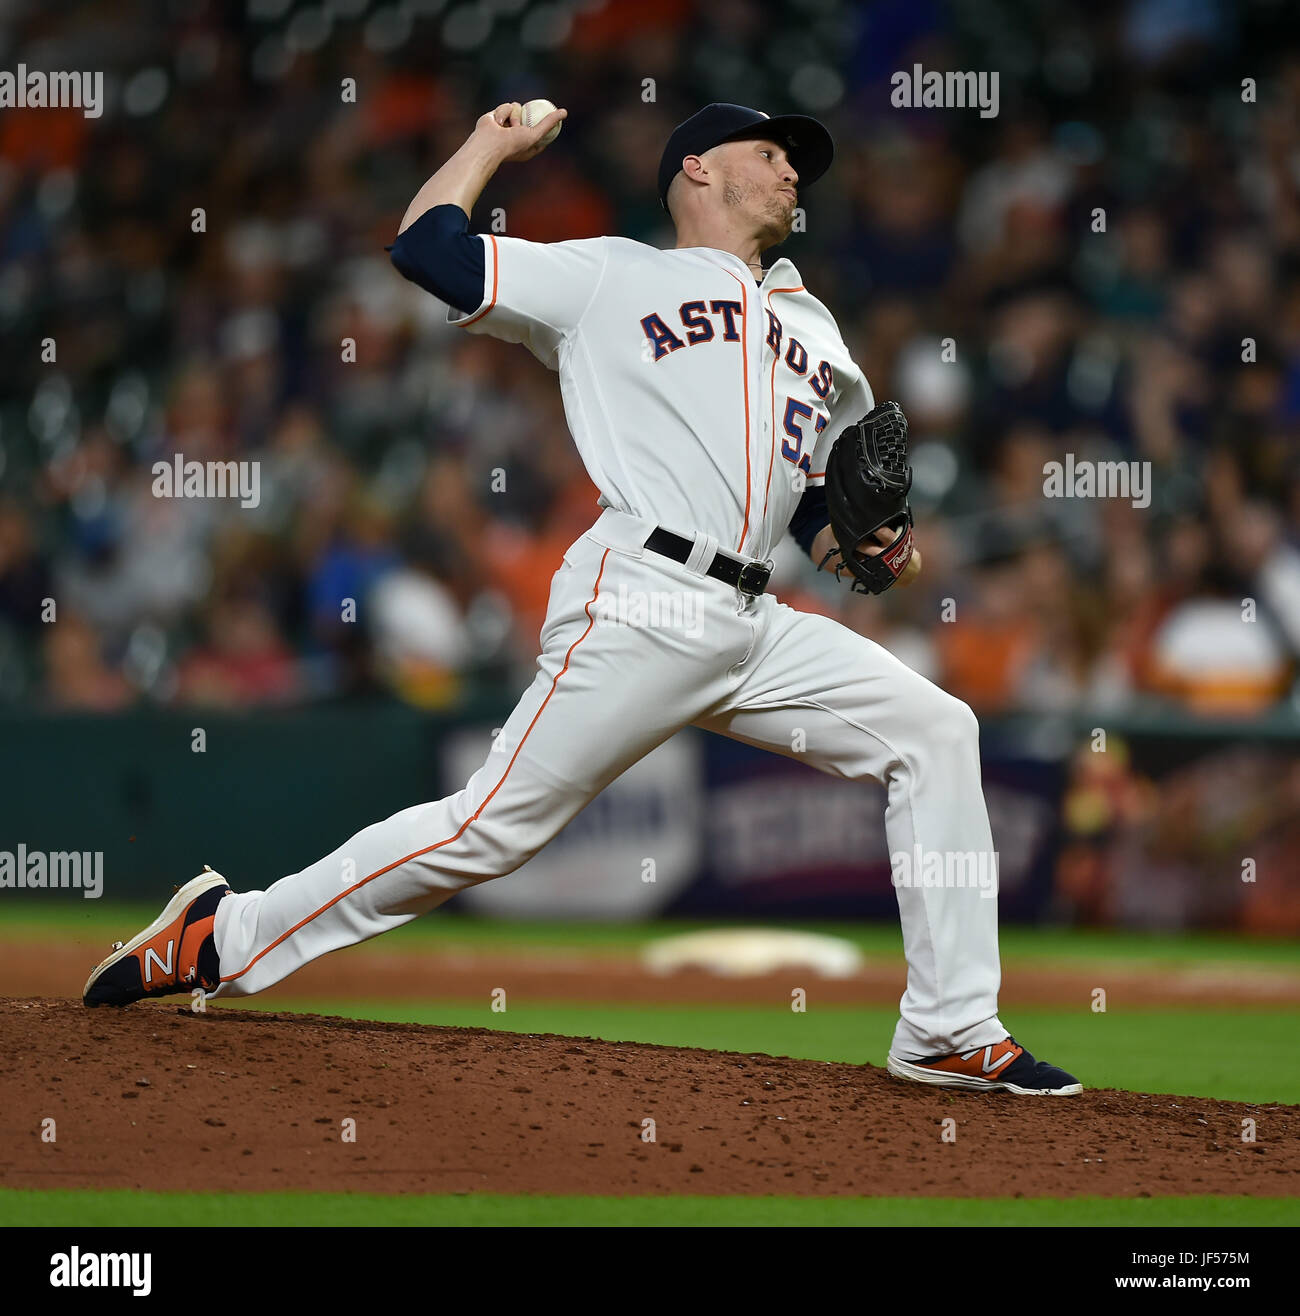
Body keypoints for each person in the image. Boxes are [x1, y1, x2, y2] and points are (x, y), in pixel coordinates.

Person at [84, 102, 1081, 1096]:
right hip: (642, 594)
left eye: (796, 163)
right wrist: (490, 144)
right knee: (486, 830)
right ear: (695, 169)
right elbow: (428, 248)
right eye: (769, 153)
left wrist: (855, 541)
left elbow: (815, 498)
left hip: (755, 618)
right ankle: (224, 934)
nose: (791, 174)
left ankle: (949, 1025)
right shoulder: (613, 273)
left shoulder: (813, 327)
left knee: (937, 730)